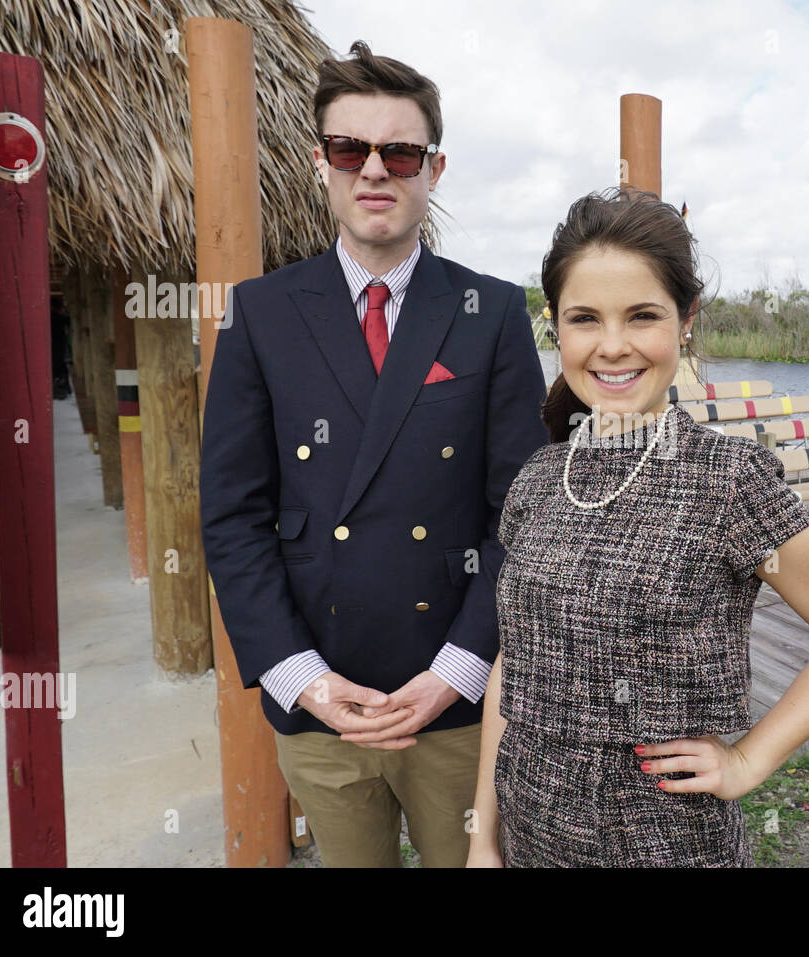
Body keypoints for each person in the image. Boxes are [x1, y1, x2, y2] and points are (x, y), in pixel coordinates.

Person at [199, 40, 549, 867]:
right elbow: (233, 516)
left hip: (459, 700)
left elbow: (521, 515)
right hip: (323, 700)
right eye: (351, 148)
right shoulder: (260, 313)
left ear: (434, 168)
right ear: (320, 162)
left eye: (400, 151)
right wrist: (298, 675)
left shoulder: (491, 311)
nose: (375, 171)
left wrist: (457, 670)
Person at [466, 188, 809, 867]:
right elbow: (514, 664)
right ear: (555, 327)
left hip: (667, 843)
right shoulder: (538, 479)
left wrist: (748, 758)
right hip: (531, 832)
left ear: (686, 320)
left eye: (642, 315)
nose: (613, 345)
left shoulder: (731, 479)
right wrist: (483, 834)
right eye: (584, 318)